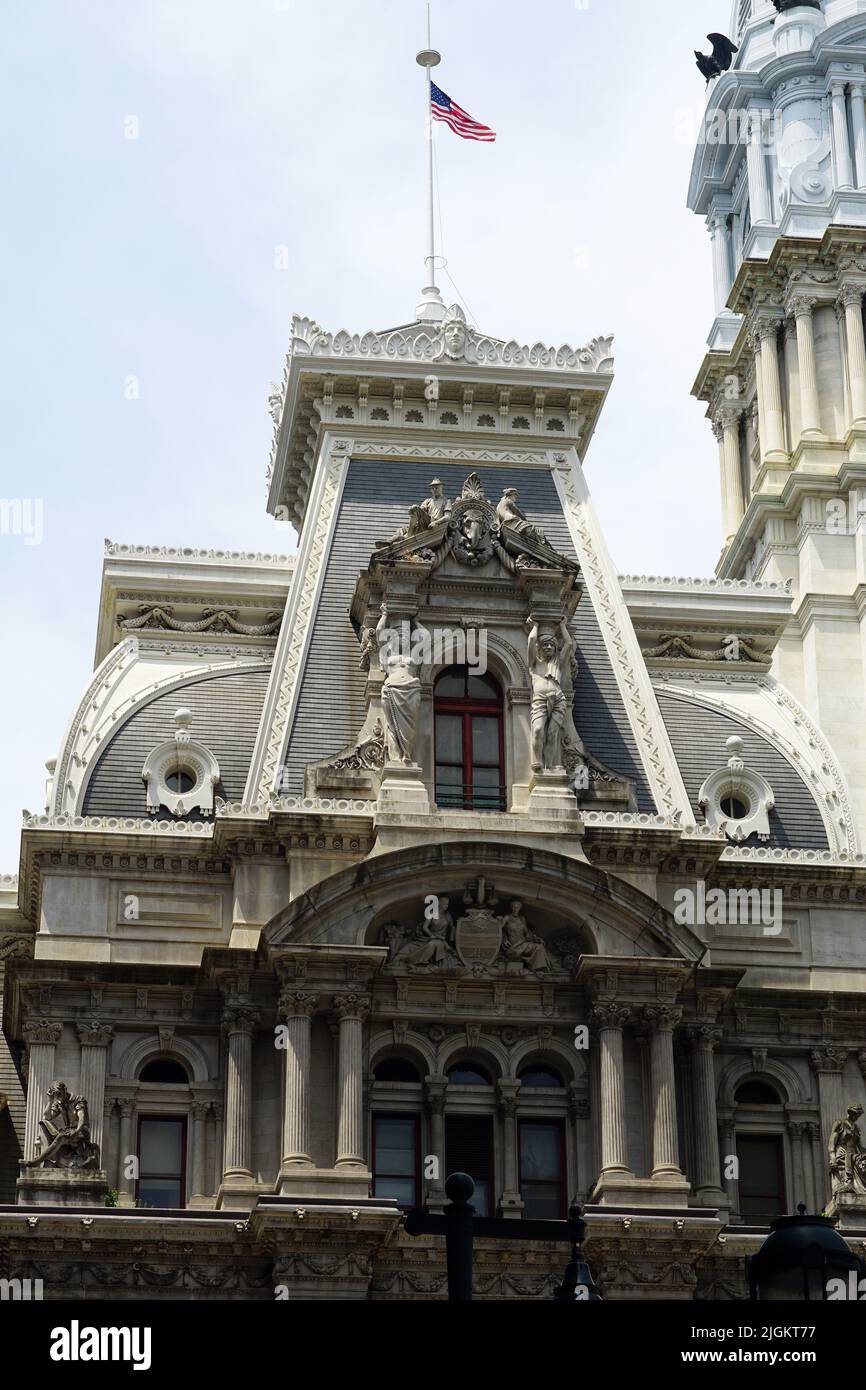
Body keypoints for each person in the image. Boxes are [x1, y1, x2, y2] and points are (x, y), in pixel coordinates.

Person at [526, 617, 576, 772]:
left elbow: (568, 644)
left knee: (552, 733)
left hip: (558, 699)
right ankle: (538, 761)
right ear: (540, 647)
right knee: (538, 730)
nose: (548, 647)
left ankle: (549, 766)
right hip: (540, 699)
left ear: (555, 648)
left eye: (552, 645)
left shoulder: (558, 664)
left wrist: (562, 626)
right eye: (545, 644)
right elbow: (531, 641)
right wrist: (535, 626)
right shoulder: (534, 664)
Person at [500, 900, 549, 973]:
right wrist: (504, 938)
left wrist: (536, 939)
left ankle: (539, 969)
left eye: (517, 907)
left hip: (523, 943)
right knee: (538, 947)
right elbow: (499, 929)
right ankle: (538, 969)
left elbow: (526, 933)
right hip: (514, 947)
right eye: (514, 907)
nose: (515, 909)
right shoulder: (507, 917)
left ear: (520, 908)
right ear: (511, 908)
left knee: (540, 947)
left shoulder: (522, 918)